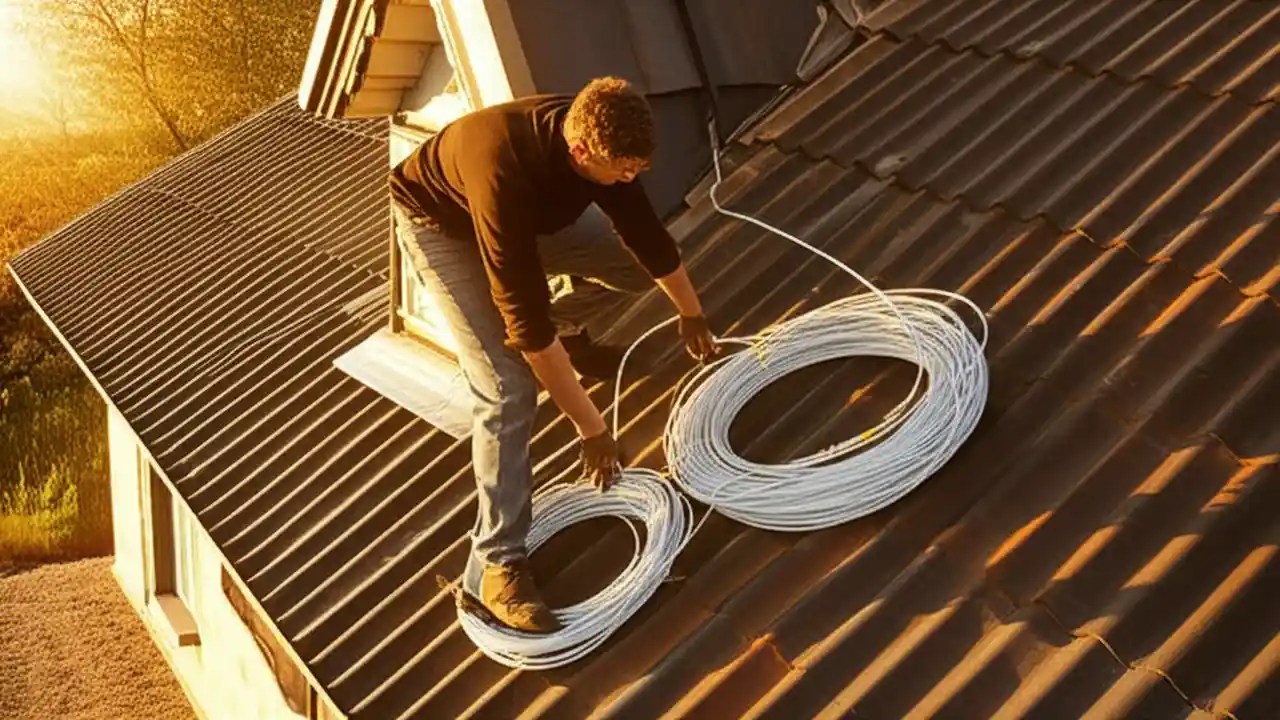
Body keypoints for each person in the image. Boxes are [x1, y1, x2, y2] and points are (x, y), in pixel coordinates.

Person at [388, 76, 718, 632]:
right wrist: (592, 428)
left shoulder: (600, 131)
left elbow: (649, 239)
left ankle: (565, 337)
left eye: (636, 170)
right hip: (441, 223)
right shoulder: (504, 175)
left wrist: (691, 313)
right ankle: (498, 562)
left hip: (526, 221)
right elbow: (525, 323)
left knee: (635, 271)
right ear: (582, 151)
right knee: (508, 386)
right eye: (621, 172)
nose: (629, 181)